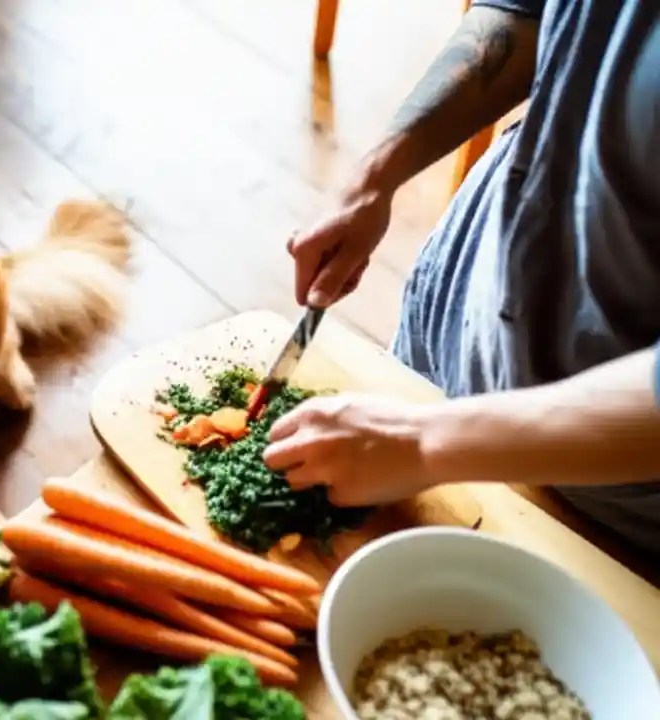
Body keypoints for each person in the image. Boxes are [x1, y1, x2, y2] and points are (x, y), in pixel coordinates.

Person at [263, 0, 660, 555]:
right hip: (458, 316)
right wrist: (375, 177)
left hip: (603, 504)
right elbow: (526, 13)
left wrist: (424, 442)